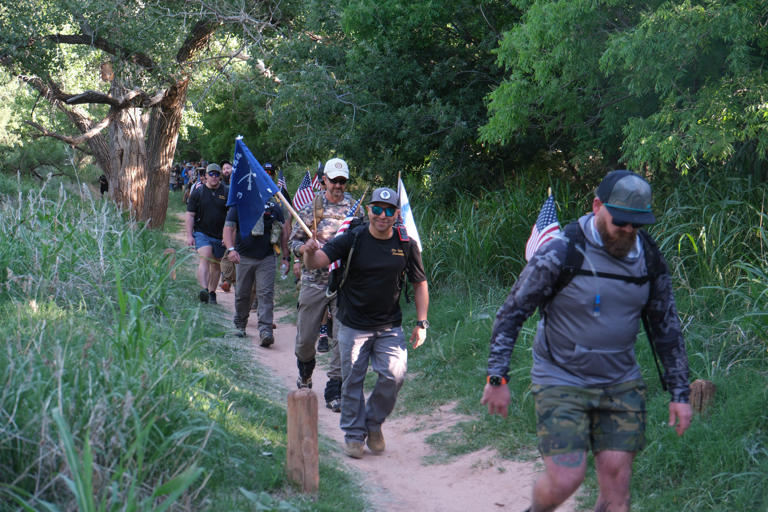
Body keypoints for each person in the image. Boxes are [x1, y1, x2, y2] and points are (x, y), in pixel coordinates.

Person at [481, 170, 693, 512]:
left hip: (620, 382)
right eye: (620, 220)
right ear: (597, 206)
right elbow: (512, 312)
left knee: (617, 490)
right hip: (560, 376)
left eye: (636, 224)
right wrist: (497, 376)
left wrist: (680, 393)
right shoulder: (562, 252)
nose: (627, 230)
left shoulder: (649, 260)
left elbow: (665, 326)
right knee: (567, 478)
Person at [302, 187, 430, 459]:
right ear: (369, 210)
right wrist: (309, 252)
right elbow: (317, 262)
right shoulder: (353, 238)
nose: (381, 215)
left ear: (397, 214)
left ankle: (373, 423)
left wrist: (422, 323)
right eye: (377, 209)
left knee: (394, 375)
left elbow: (420, 283)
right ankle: (353, 434)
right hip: (352, 324)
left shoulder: (405, 243)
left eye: (388, 210)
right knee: (352, 381)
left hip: (389, 326)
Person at [288, 157, 363, 412]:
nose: (338, 186)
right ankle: (305, 370)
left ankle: (334, 387)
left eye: (343, 181)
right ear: (324, 181)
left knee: (343, 338)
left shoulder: (357, 210)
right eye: (334, 181)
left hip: (343, 283)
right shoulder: (310, 209)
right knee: (306, 340)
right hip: (314, 281)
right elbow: (293, 242)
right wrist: (304, 250)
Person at [222, 196, 284, 346]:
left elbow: (284, 230)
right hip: (243, 256)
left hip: (267, 257)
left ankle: (265, 330)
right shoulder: (239, 204)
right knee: (243, 292)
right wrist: (230, 250)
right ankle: (240, 324)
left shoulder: (275, 206)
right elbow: (228, 228)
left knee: (265, 293)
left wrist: (287, 258)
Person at [185, 163, 229, 304]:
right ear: (205, 177)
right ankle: (203, 289)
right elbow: (190, 215)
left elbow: (232, 216)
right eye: (212, 174)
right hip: (202, 232)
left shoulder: (227, 192)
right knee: (205, 257)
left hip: (220, 235)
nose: (214, 177)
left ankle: (212, 292)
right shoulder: (198, 193)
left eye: (217, 174)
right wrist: (189, 235)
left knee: (216, 264)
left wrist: (228, 237)